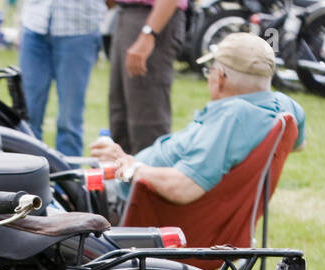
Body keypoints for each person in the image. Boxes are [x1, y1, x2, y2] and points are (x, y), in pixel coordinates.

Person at [90, 32, 305, 212]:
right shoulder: (287, 108)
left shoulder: (232, 117)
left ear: (220, 78)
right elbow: (296, 145)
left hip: (131, 207)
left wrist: (130, 166)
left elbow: (183, 188)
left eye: (209, 70)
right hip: (142, 198)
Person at [18, 0, 108, 158]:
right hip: (35, 23)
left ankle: (67, 180)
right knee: (27, 116)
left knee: (69, 120)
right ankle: (28, 175)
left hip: (79, 28)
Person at [108, 0, 186, 154]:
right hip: (125, 14)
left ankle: (151, 176)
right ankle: (126, 178)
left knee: (147, 125)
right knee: (120, 122)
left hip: (151, 18)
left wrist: (149, 33)